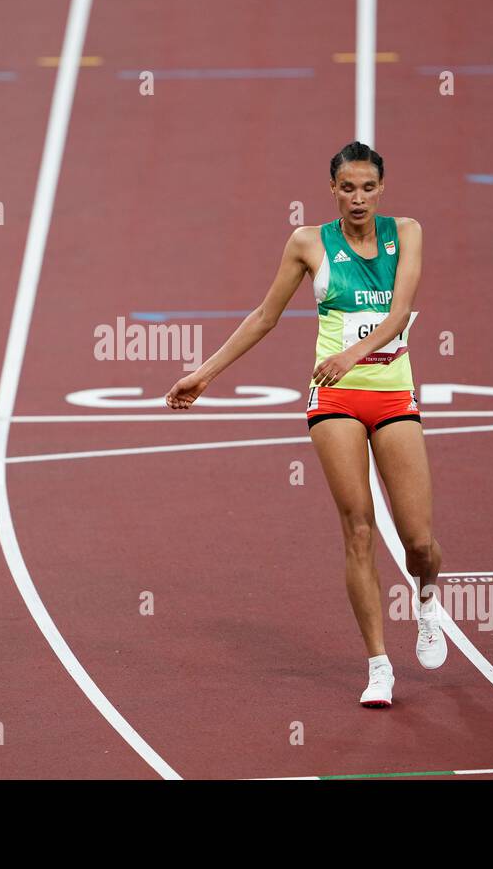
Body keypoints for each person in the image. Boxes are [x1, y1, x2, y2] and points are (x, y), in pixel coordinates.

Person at [165, 141, 447, 708]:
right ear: (333, 190)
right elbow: (264, 316)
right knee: (358, 528)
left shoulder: (407, 233)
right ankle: (378, 665)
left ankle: (425, 599)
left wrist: (352, 355)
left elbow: (399, 314)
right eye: (348, 188)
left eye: (368, 188)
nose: (358, 198)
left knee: (418, 541)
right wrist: (204, 374)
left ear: (381, 189)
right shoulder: (307, 243)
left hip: (393, 395)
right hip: (334, 400)